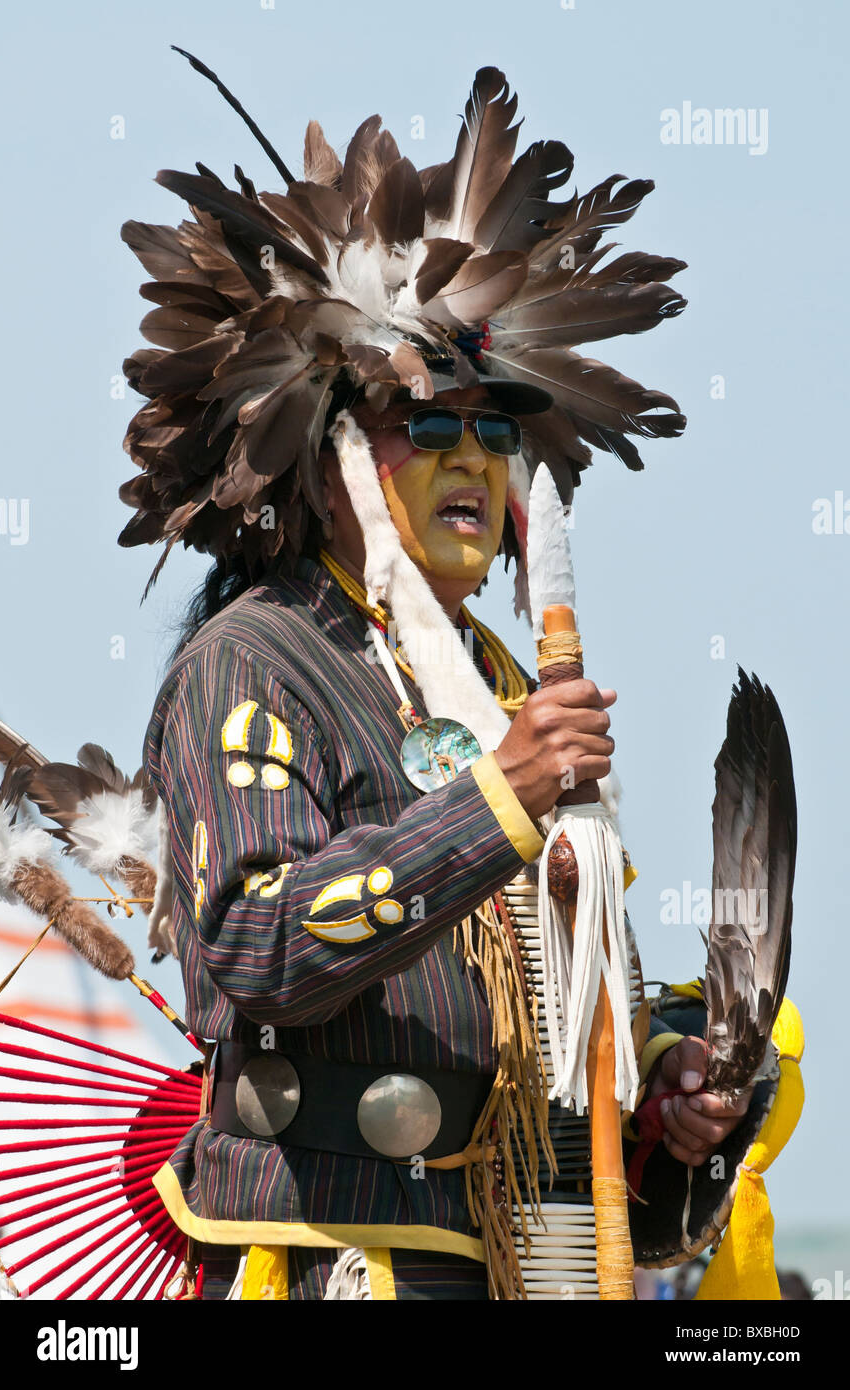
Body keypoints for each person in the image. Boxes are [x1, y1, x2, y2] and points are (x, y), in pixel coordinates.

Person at [124, 57, 787, 1300]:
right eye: (427, 424)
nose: (472, 454)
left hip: (526, 1256)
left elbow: (562, 988)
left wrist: (661, 1083)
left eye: (497, 429)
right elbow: (249, 943)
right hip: (337, 1259)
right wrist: (497, 798)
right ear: (331, 459)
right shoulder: (254, 658)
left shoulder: (490, 679)